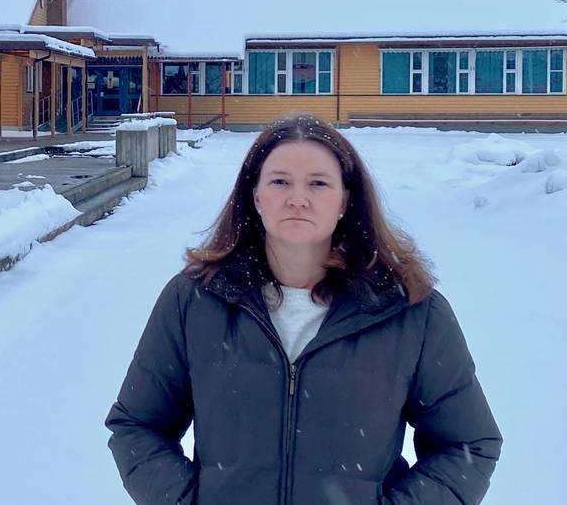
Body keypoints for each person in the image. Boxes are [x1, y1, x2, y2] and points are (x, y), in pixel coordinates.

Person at [105, 114, 501, 504]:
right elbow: (137, 426)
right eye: (279, 181)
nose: (298, 198)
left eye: (318, 183)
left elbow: (465, 445)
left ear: (345, 199)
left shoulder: (410, 311)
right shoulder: (195, 300)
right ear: (255, 196)